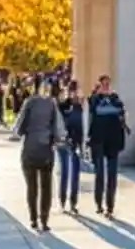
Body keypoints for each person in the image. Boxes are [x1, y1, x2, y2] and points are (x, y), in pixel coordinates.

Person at [13, 82, 65, 232]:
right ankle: (44, 219)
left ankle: (33, 218)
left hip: (30, 149)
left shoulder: (29, 103)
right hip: (46, 150)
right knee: (46, 187)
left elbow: (19, 127)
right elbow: (58, 128)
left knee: (32, 187)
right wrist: (56, 139)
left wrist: (23, 132)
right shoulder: (52, 104)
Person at [88, 74, 128, 219]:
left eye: (108, 84)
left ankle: (110, 206)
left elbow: (122, 113)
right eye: (103, 84)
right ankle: (99, 203)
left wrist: (112, 100)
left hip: (113, 141)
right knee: (99, 173)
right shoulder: (95, 99)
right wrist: (98, 95)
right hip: (98, 141)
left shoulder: (116, 100)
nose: (106, 87)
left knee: (112, 174)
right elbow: (92, 109)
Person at [55, 81, 85, 214]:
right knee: (65, 171)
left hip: (76, 143)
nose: (73, 93)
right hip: (63, 142)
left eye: (76, 90)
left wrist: (83, 143)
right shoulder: (62, 106)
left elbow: (83, 126)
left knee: (75, 174)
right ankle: (62, 200)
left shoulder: (80, 107)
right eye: (71, 90)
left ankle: (73, 202)